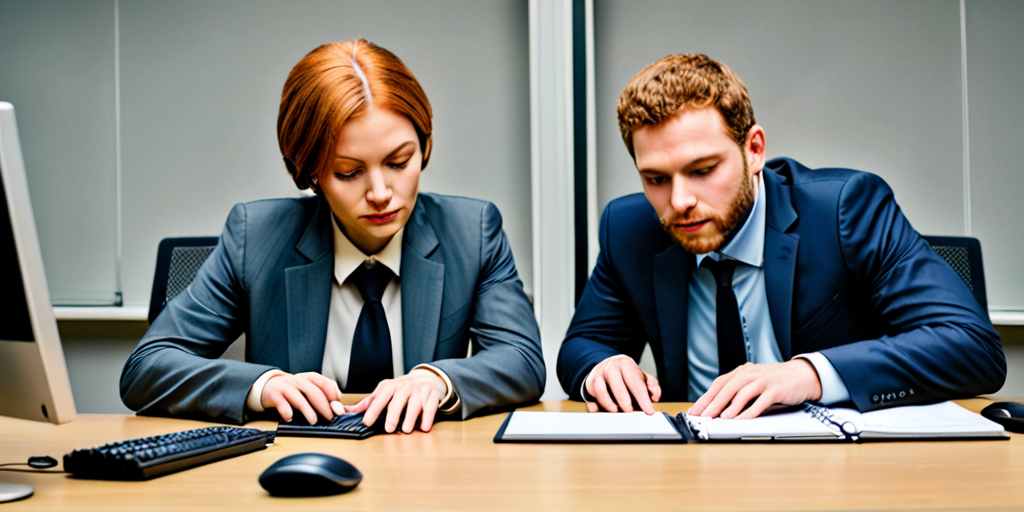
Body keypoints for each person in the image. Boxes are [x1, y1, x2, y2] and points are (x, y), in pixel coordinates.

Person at [120, 39, 544, 433]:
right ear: (310, 173)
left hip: (425, 469)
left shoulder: (473, 231)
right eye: (348, 172)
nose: (380, 194)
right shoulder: (256, 236)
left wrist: (437, 381)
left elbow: (522, 360)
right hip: (292, 468)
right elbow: (147, 368)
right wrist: (263, 386)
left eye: (399, 162)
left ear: (425, 145)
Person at [557, 53, 1005, 419]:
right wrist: (600, 366)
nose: (678, 201)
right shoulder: (629, 228)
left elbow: (972, 345)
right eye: (655, 178)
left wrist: (809, 374)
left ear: (754, 150)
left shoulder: (844, 208)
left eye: (703, 170)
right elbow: (581, 345)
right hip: (691, 474)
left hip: (837, 472)